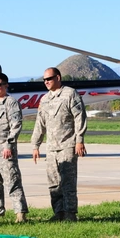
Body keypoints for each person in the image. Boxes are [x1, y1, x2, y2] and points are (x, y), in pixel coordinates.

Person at [31, 67, 87, 222]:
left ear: (58, 78)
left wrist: (79, 140)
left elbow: (79, 117)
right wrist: (36, 145)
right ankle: (58, 212)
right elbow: (40, 123)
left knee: (68, 182)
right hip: (51, 148)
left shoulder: (70, 94)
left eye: (49, 79)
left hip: (67, 145)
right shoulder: (45, 99)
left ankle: (70, 214)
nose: (46, 82)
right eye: (44, 80)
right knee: (54, 183)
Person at [0, 72, 29, 223]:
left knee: (12, 183)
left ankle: (20, 213)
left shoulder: (11, 103)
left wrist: (9, 144)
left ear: (6, 85)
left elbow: (16, 125)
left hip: (5, 152)